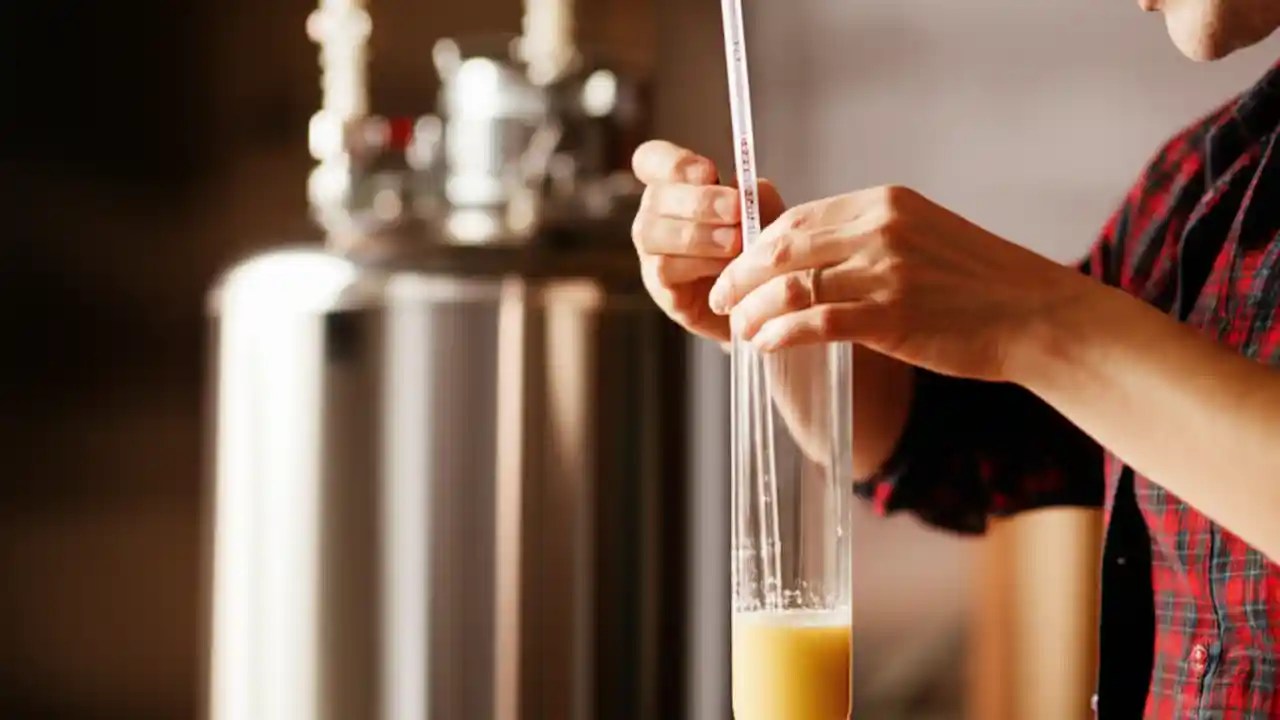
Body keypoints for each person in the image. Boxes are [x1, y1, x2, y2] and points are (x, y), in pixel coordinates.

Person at [630, 1, 1280, 717]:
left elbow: (1073, 355)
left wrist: (1037, 319)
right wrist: (789, 308)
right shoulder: (1210, 177)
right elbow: (983, 437)